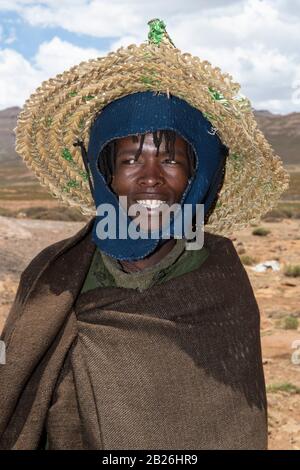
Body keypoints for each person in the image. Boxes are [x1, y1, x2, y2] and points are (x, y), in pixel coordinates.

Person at [0, 19, 289, 450]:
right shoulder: (53, 272)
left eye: (171, 160)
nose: (150, 178)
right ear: (105, 173)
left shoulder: (217, 276)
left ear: (198, 176)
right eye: (131, 160)